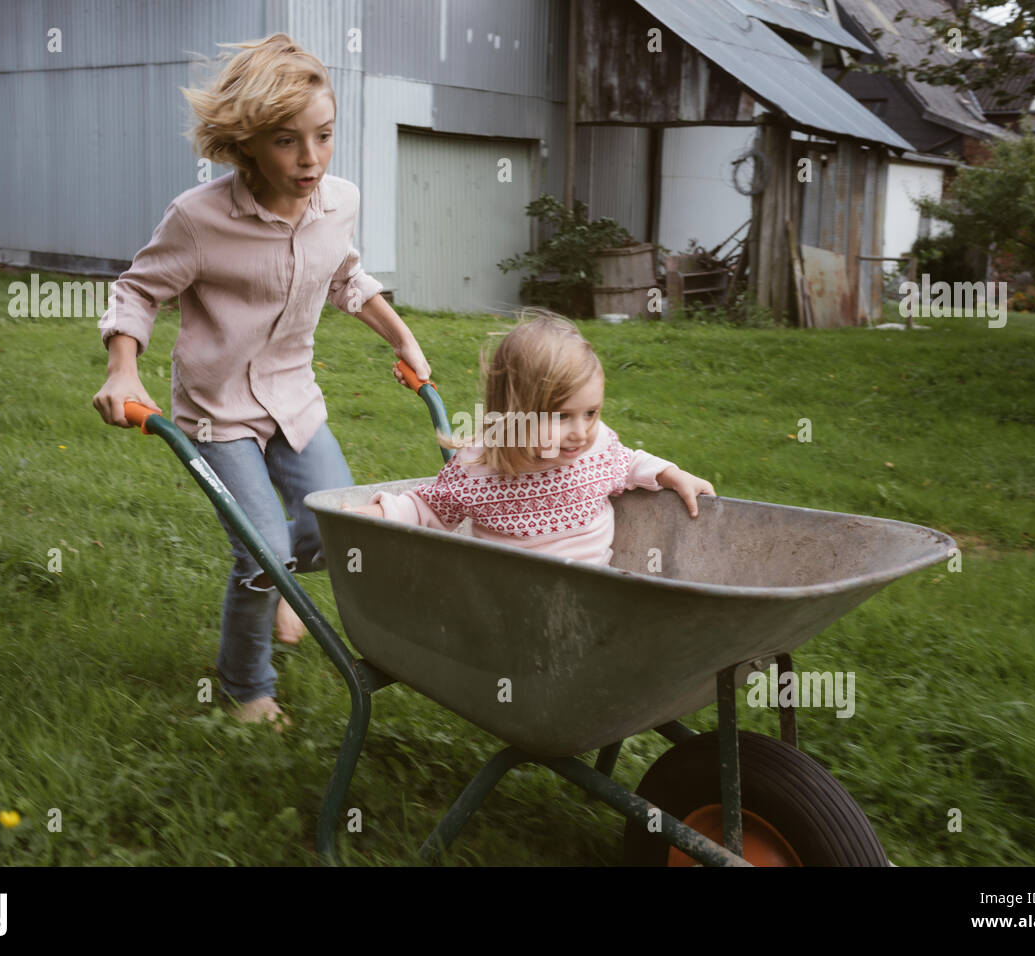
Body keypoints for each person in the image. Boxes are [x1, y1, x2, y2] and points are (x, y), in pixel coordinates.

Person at [91, 34, 430, 730]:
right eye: (286, 141)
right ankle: (248, 688)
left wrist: (404, 339)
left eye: (324, 136)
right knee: (262, 549)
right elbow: (136, 290)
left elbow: (348, 278)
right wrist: (122, 368)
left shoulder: (338, 202)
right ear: (246, 144)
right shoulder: (198, 219)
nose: (310, 159)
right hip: (218, 415)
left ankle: (279, 583)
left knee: (331, 531)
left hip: (295, 402)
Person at [349, 312, 713, 565]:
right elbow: (427, 507)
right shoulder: (478, 468)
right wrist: (376, 513)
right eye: (561, 416)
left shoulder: (597, 447)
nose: (581, 431)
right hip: (508, 596)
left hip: (594, 589)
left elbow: (629, 462)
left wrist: (669, 473)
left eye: (591, 413)